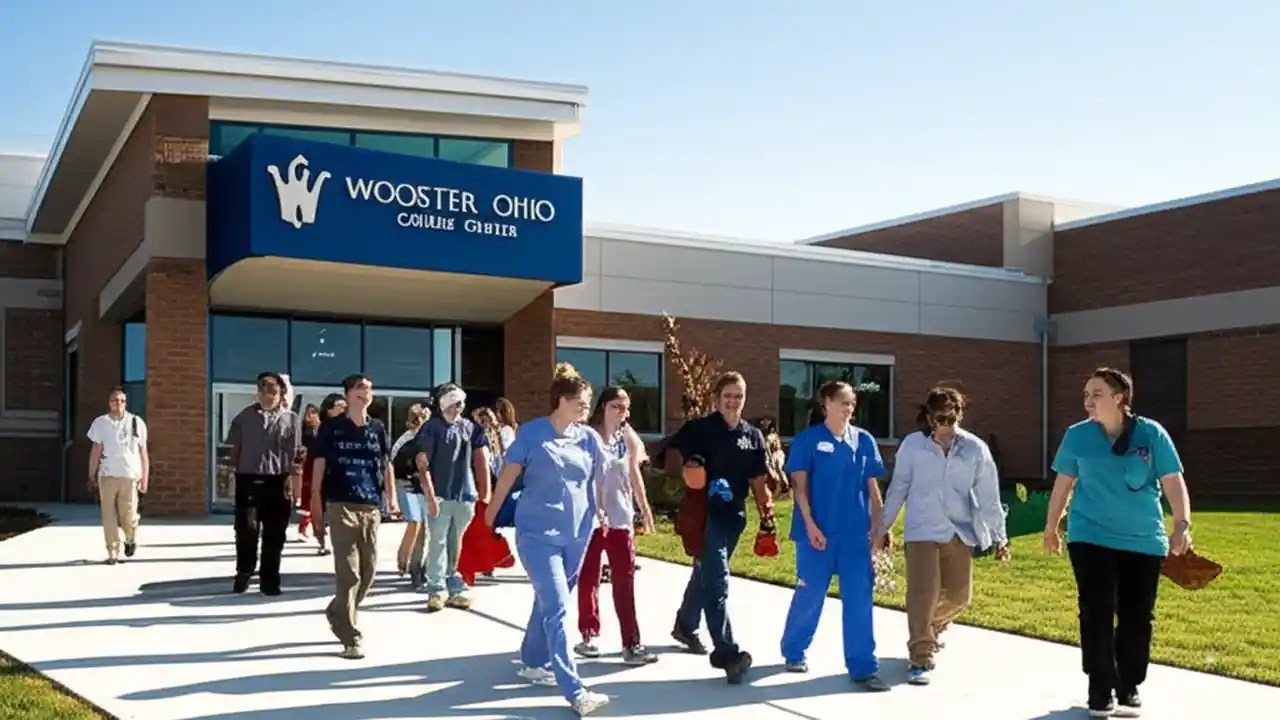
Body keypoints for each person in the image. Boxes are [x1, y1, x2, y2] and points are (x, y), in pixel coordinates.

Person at [1044, 367, 1193, 717]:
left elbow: (1173, 482)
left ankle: (1128, 685)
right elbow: (1063, 485)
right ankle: (1100, 688)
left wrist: (1181, 525)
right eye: (1085, 394)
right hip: (1090, 536)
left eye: (1096, 394)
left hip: (1143, 540)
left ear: (1119, 398)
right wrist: (1051, 527)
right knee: (1095, 610)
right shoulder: (1077, 436)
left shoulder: (1151, 434)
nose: (1088, 401)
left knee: (1137, 616)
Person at [483, 363, 611, 716]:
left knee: (548, 602)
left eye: (587, 403)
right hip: (537, 534)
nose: (586, 408)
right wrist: (489, 515)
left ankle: (532, 661)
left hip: (578, 534)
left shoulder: (588, 438)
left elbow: (593, 481)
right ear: (561, 401)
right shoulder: (532, 434)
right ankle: (575, 690)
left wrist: (600, 512)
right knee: (557, 607)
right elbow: (507, 477)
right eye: (581, 402)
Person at [879, 386, 1010, 686]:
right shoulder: (913, 446)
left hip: (958, 530)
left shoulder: (974, 448)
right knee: (923, 593)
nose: (947, 426)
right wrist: (882, 527)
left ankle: (928, 628)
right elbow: (898, 487)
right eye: (940, 419)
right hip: (921, 530)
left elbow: (988, 495)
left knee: (959, 597)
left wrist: (1000, 536)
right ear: (929, 417)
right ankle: (920, 655)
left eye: (952, 419)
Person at [779, 380, 889, 691]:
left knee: (859, 597)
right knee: (811, 593)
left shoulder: (864, 441)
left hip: (855, 536)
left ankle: (863, 666)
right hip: (817, 534)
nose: (849, 408)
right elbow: (800, 488)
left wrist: (880, 527)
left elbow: (873, 488)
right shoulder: (808, 440)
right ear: (825, 403)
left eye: (852, 403)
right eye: (843, 402)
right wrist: (811, 525)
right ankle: (794, 650)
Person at [665, 371, 773, 685]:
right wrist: (691, 468)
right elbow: (670, 456)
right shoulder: (700, 429)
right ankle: (727, 653)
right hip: (704, 513)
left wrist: (766, 511)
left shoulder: (753, 435)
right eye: (728, 395)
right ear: (716, 398)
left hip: (734, 514)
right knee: (718, 581)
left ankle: (685, 625)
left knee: (706, 572)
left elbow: (758, 479)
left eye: (738, 396)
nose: (733, 401)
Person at [311, 373, 400, 659]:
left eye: (370, 389)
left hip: (371, 506)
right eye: (360, 388)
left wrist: (392, 499)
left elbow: (386, 464)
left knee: (368, 572)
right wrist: (315, 501)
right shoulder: (331, 428)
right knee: (349, 574)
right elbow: (319, 465)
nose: (366, 393)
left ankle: (337, 611)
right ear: (348, 394)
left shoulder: (378, 428)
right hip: (341, 505)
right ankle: (350, 636)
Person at [574, 386, 659, 665]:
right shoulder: (587, 436)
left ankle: (631, 643)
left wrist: (645, 510)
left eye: (626, 407)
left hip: (620, 518)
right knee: (589, 576)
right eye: (616, 406)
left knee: (624, 580)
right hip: (591, 520)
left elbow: (634, 474)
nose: (622, 412)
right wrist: (595, 507)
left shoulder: (627, 438)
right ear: (603, 407)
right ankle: (588, 634)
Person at [418, 383, 490, 612]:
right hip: (440, 494)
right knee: (438, 541)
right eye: (454, 402)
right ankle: (436, 589)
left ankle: (455, 586)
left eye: (460, 403)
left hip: (465, 494)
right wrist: (430, 495)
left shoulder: (470, 428)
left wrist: (485, 493)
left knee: (457, 541)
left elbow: (482, 460)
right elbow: (422, 464)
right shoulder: (431, 428)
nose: (458, 407)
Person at [227, 372, 300, 595]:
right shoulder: (243, 418)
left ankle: (270, 580)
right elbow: (233, 450)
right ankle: (245, 570)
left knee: (275, 534)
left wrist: (296, 484)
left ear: (281, 393)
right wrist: (230, 477)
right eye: (263, 388)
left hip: (279, 481)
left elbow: (296, 455)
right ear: (257, 392)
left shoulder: (291, 420)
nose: (268, 393)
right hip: (248, 479)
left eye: (273, 389)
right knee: (247, 530)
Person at [86, 387, 149, 565]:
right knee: (108, 515)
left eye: (121, 401)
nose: (118, 404)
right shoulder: (100, 423)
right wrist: (91, 474)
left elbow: (143, 453)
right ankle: (112, 551)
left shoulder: (136, 422)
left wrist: (145, 478)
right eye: (115, 400)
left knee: (128, 514)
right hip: (108, 474)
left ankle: (130, 538)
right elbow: (96, 450)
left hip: (130, 476)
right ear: (109, 403)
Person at [457, 406, 515, 584]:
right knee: (479, 530)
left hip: (489, 486)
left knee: (481, 530)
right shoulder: (474, 436)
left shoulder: (493, 436)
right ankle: (479, 565)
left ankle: (482, 564)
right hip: (483, 486)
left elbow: (496, 463)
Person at [391, 403, 430, 585]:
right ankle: (404, 561)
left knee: (421, 526)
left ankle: (410, 563)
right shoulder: (409, 439)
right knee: (415, 522)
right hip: (405, 483)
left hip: (416, 484)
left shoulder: (421, 438)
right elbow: (395, 463)